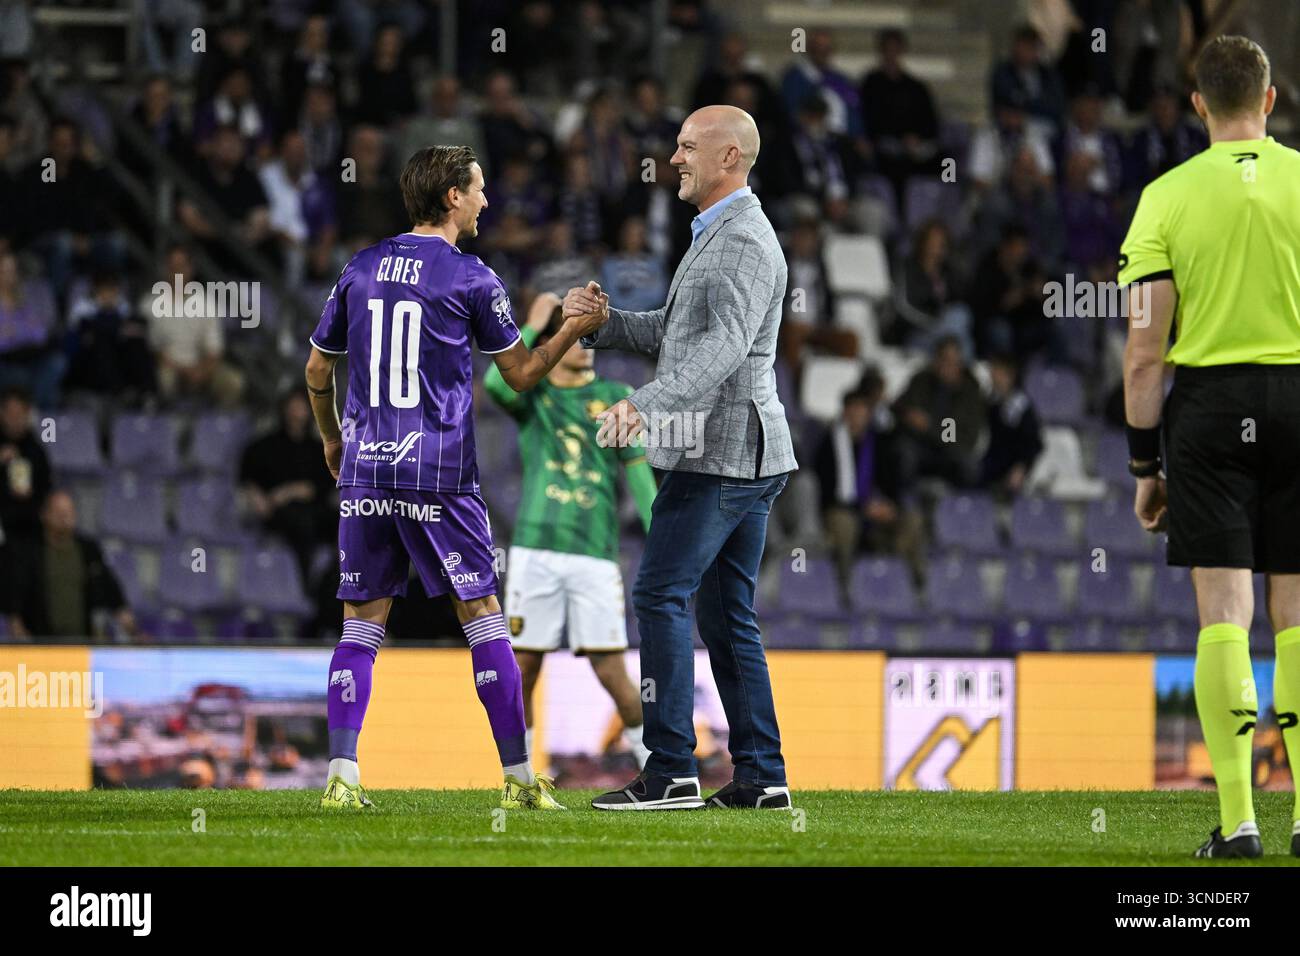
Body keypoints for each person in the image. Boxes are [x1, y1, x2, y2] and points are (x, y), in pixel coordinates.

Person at [303, 144, 607, 811]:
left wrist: (332, 440)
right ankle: (521, 779)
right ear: (451, 197)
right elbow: (524, 375)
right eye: (478, 189)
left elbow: (318, 372)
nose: (486, 200)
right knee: (483, 619)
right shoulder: (471, 276)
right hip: (438, 472)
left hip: (366, 469)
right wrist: (570, 329)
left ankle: (341, 775)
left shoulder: (359, 267)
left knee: (361, 627)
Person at [566, 105, 797, 811]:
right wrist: (609, 326)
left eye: (687, 147)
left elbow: (721, 350)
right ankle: (760, 775)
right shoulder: (723, 235)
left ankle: (670, 767)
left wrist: (647, 404)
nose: (674, 158)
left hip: (719, 453)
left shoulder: (739, 244)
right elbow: (679, 330)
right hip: (738, 451)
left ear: (730, 156)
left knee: (659, 594)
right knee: (728, 617)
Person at [1120, 35, 1300, 859]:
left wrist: (1144, 467)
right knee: (1296, 619)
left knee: (1224, 614)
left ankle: (1238, 825)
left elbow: (1145, 351)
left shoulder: (1164, 196)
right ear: (1269, 101)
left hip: (1210, 410)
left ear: (1198, 105)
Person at [484, 292, 658, 772]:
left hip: (595, 554)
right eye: (571, 330)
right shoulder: (533, 392)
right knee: (523, 667)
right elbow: (496, 383)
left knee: (610, 668)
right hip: (536, 549)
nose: (583, 342)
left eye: (586, 333)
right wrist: (534, 322)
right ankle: (519, 777)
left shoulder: (614, 396)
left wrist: (662, 536)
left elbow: (639, 475)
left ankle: (657, 771)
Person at [4, 490, 142, 641]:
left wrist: (131, 628)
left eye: (68, 511)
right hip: (43, 643)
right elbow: (15, 596)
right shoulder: (29, 553)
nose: (64, 517)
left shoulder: (88, 550)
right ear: (44, 515)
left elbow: (109, 588)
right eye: (58, 512)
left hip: (82, 642)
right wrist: (18, 630)